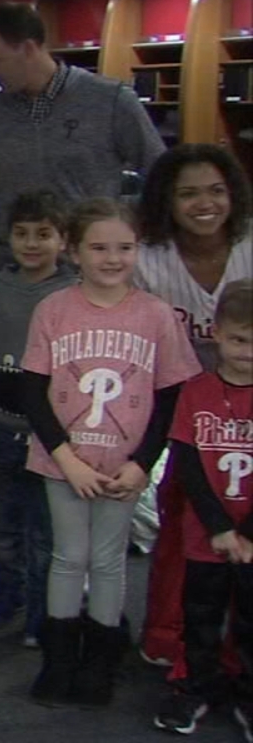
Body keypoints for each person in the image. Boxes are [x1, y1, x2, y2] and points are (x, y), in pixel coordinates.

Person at [21, 198, 199, 709]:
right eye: (99, 247)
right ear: (75, 251)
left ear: (139, 250)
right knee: (67, 556)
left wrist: (142, 463)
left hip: (124, 466)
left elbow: (170, 397)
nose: (112, 258)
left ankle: (100, 661)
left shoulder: (155, 315)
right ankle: (58, 660)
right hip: (64, 463)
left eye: (125, 247)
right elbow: (32, 391)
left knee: (107, 561)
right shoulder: (53, 309)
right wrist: (67, 459)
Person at [134, 143, 253, 670]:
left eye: (215, 191)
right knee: (185, 524)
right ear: (167, 200)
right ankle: (172, 639)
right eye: (188, 193)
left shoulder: (251, 245)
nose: (204, 203)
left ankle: (241, 656)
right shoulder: (149, 258)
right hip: (184, 407)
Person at [0, 3, 165, 266]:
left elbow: (162, 177)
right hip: (9, 270)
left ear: (29, 48)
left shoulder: (110, 100)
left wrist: (120, 225)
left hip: (84, 269)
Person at [0, 191, 76, 646]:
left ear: (64, 241)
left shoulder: (71, 293)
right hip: (0, 425)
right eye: (22, 234)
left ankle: (40, 611)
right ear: (8, 238)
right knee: (4, 523)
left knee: (44, 529)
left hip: (51, 436)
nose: (32, 244)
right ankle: (6, 595)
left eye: (44, 235)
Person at [152, 280, 253, 735]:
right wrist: (217, 526)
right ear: (216, 334)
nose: (247, 352)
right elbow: (187, 464)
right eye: (238, 340)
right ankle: (195, 686)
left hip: (251, 538)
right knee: (200, 616)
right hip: (205, 536)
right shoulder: (196, 391)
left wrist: (247, 532)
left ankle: (247, 694)